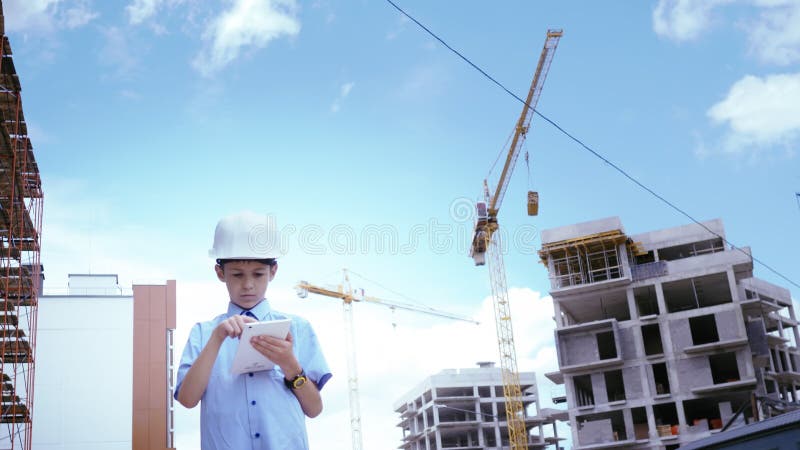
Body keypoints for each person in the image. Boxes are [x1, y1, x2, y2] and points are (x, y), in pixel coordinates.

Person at [175, 211, 331, 449]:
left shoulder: (298, 328)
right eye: (237, 275)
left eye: (258, 274)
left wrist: (290, 364)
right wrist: (218, 338)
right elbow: (187, 400)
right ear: (220, 273)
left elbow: (314, 409)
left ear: (273, 271)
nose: (248, 285)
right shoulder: (203, 333)